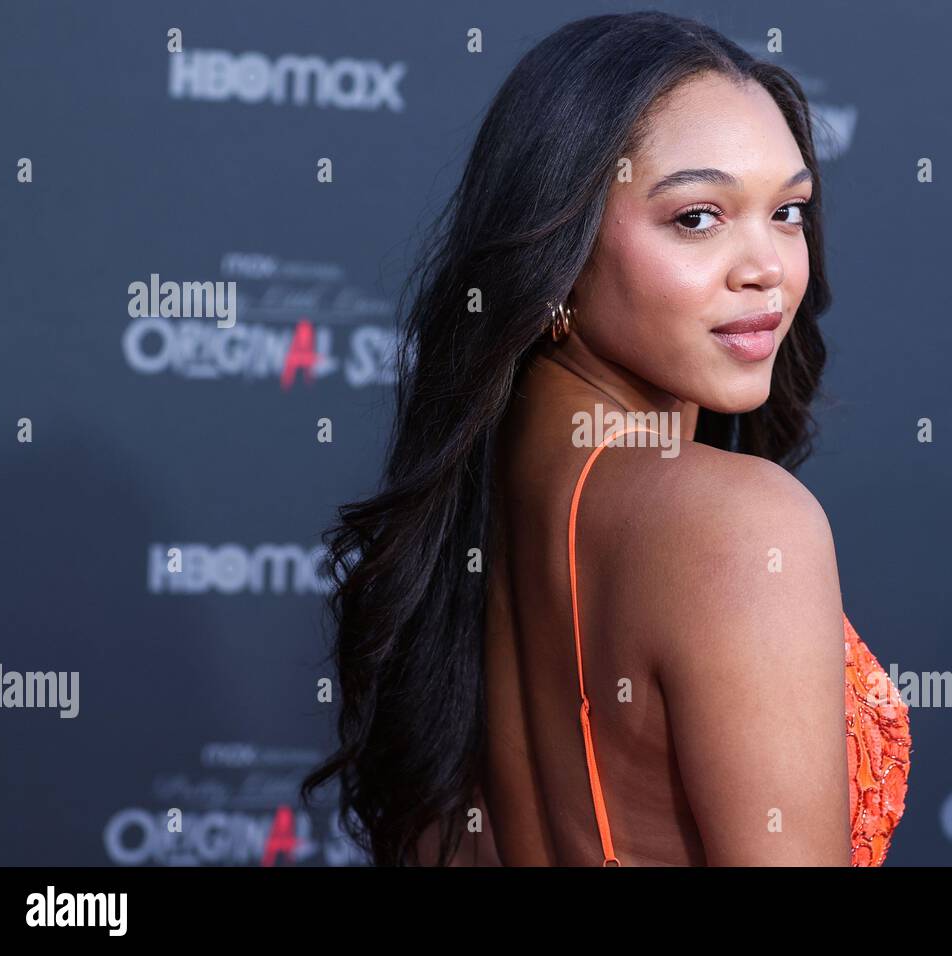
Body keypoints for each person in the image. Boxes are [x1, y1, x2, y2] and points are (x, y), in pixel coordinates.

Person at [302, 10, 911, 867]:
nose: (768, 268)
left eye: (787, 211)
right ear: (559, 249)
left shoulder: (472, 512)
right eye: (697, 217)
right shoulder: (741, 523)